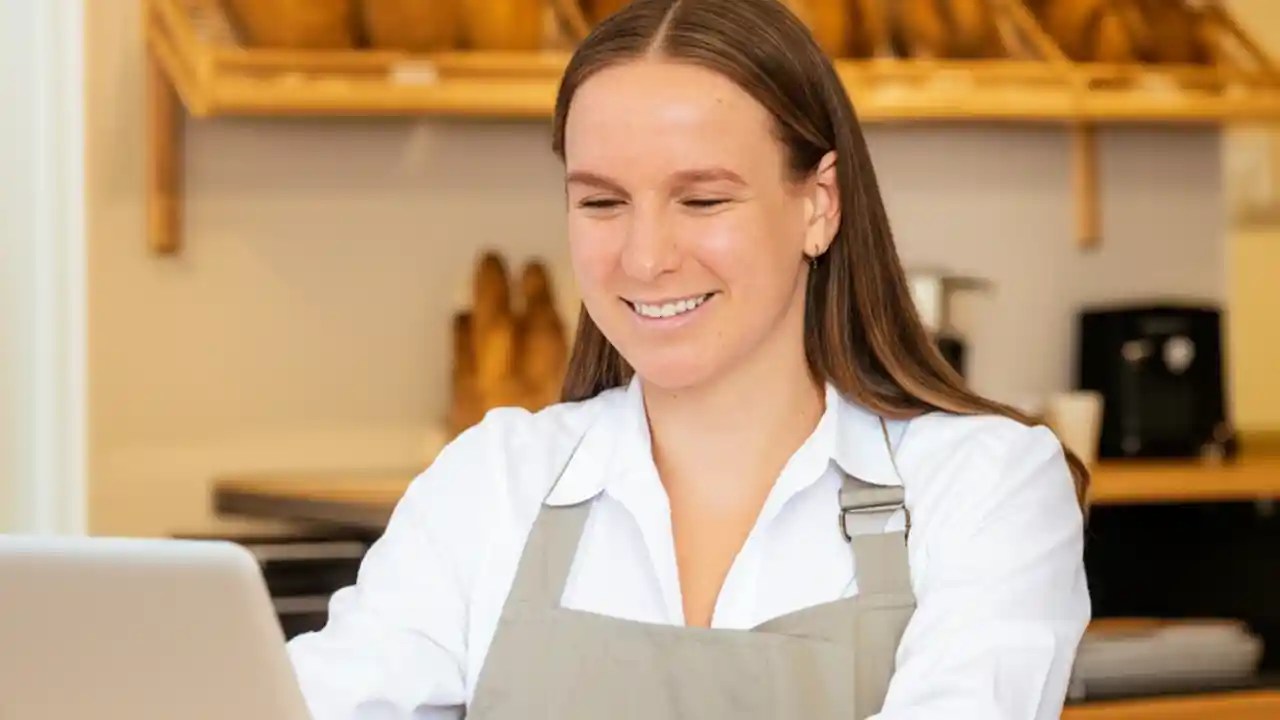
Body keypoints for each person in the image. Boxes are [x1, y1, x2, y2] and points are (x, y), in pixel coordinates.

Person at [285, 0, 1092, 717]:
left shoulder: (987, 486)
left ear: (820, 204)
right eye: (601, 202)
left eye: (703, 200)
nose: (644, 258)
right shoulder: (494, 483)